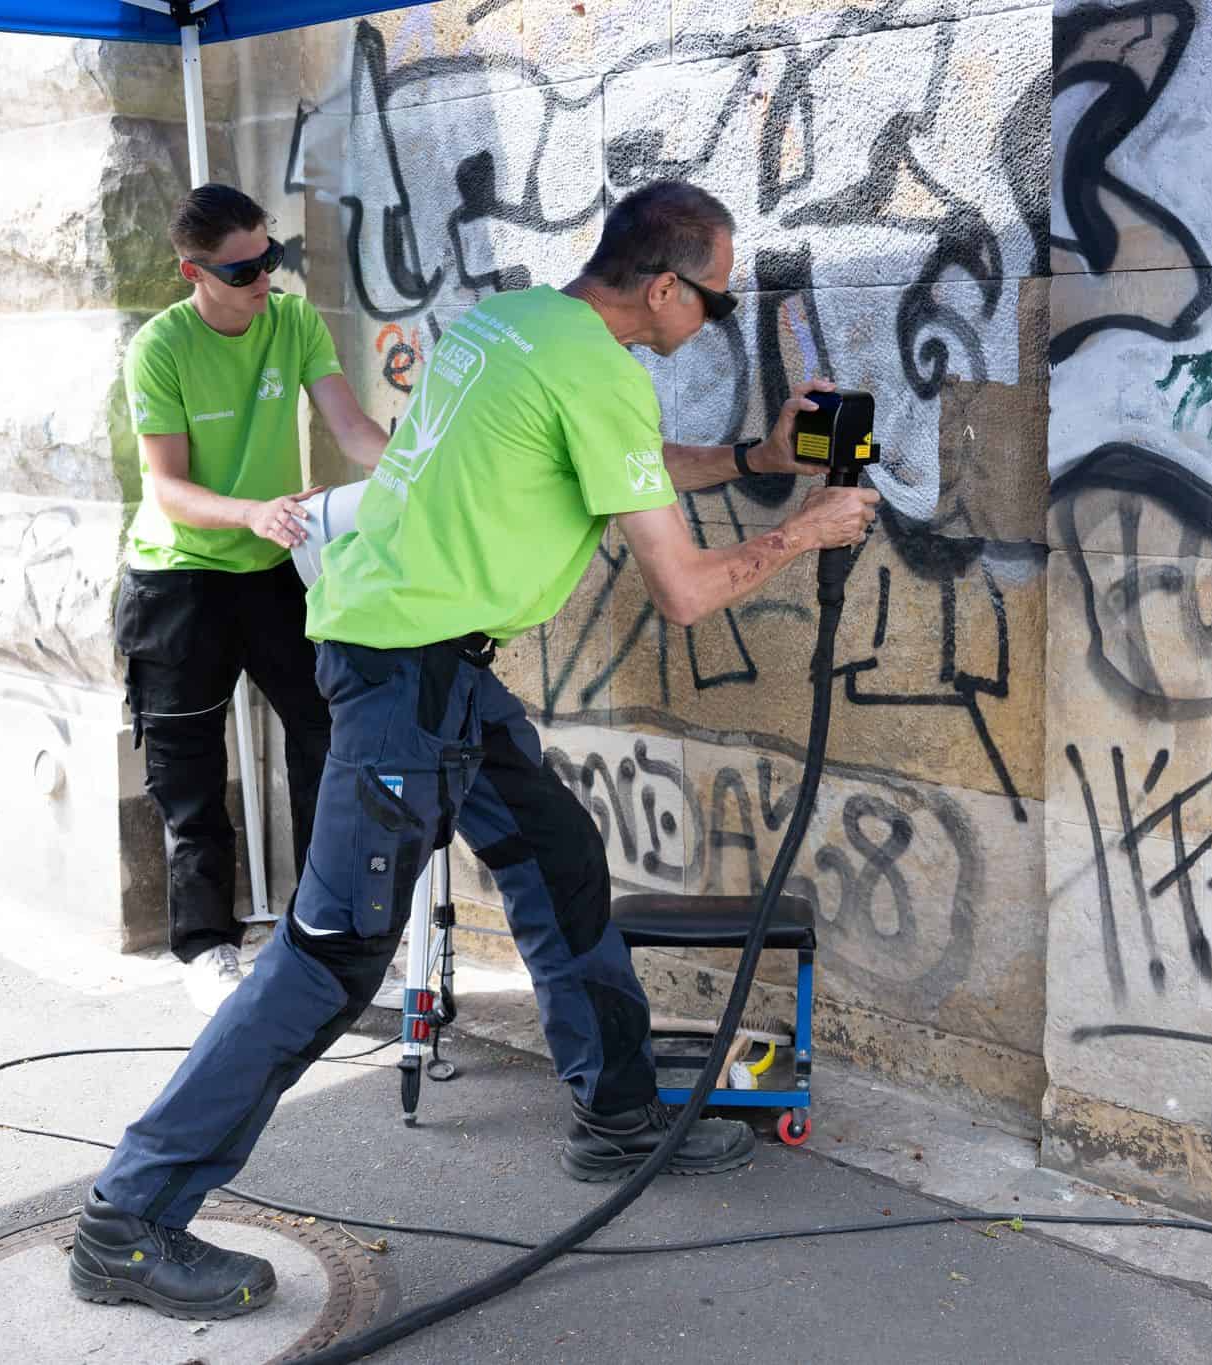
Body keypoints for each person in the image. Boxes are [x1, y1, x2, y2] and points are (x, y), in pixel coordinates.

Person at [68, 180, 881, 1318]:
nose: (714, 320)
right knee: (331, 956)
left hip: (435, 666)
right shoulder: (597, 371)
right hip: (400, 674)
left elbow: (614, 460)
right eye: (715, 300)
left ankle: (616, 1116)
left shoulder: (516, 323)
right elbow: (687, 590)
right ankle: (130, 1218)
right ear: (663, 289)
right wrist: (805, 530)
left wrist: (753, 455)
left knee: (557, 857)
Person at [119, 183, 391, 1016]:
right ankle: (206, 946)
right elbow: (167, 489)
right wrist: (252, 512)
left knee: (329, 737)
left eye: (269, 257)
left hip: (276, 564)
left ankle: (319, 934)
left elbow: (353, 430)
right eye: (241, 270)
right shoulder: (160, 348)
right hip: (180, 577)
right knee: (191, 774)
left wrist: (421, 473)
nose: (263, 278)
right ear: (193, 271)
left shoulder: (293, 322)